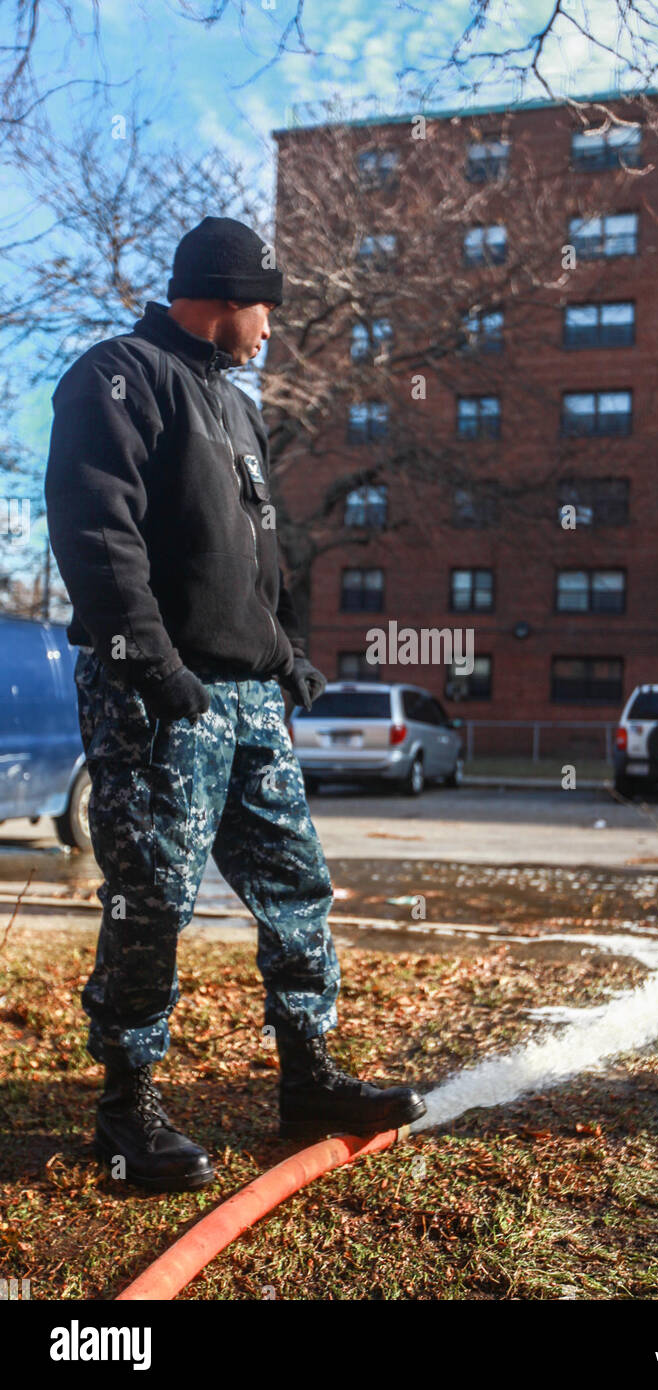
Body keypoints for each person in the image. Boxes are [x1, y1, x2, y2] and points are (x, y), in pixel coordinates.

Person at [44, 216, 425, 1192]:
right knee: (155, 899)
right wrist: (158, 667)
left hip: (252, 701)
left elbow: (262, 550)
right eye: (265, 311)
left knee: (295, 883)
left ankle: (311, 1077)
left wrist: (285, 654)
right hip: (163, 694)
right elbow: (97, 533)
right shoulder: (118, 375)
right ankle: (126, 1110)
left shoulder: (239, 409)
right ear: (221, 299)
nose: (271, 331)